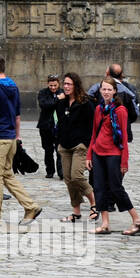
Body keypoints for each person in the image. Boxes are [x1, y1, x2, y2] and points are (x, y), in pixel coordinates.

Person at [0, 56, 42, 227]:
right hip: (10, 138)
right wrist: (17, 136)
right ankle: (31, 206)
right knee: (7, 176)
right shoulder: (13, 86)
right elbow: (18, 116)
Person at [88, 76, 140, 236]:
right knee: (99, 188)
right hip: (98, 153)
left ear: (115, 91)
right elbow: (94, 133)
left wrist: (124, 162)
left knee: (116, 188)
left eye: (109, 89)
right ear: (100, 90)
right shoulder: (99, 109)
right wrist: (89, 155)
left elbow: (124, 139)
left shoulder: (121, 110)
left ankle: (136, 219)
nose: (106, 92)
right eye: (104, 89)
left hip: (114, 154)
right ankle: (105, 223)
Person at [55, 72, 96, 223]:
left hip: (80, 145)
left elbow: (92, 126)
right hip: (64, 145)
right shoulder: (61, 102)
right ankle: (76, 211)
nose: (66, 87)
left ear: (76, 85)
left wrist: (86, 144)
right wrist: (59, 141)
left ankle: (94, 202)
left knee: (77, 176)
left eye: (69, 84)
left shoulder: (85, 103)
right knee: (68, 179)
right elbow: (59, 122)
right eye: (64, 84)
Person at [37, 75, 60, 178]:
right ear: (48, 84)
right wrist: (57, 100)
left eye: (55, 85)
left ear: (58, 84)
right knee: (48, 149)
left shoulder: (63, 92)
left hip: (59, 126)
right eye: (51, 85)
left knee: (60, 150)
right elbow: (44, 105)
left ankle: (61, 172)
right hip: (46, 125)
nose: (53, 88)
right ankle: (50, 171)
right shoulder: (43, 93)